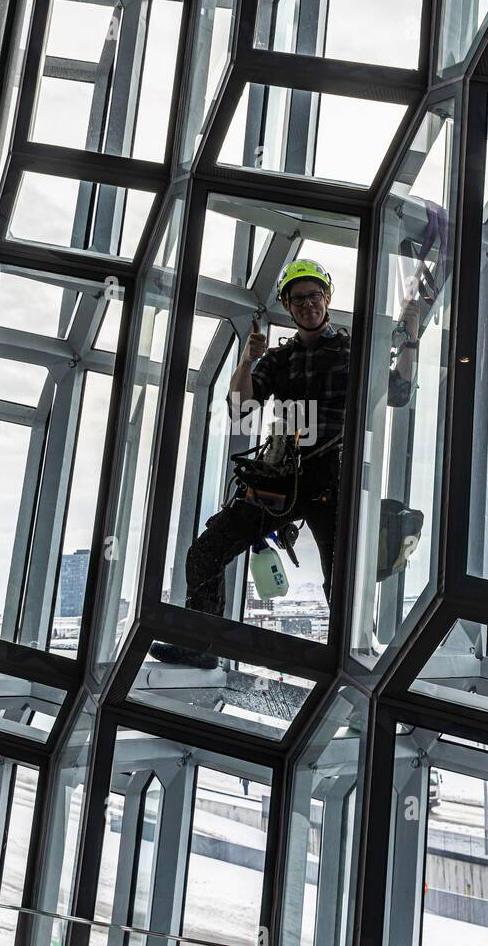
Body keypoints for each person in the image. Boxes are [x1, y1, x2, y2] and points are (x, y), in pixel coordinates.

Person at [150, 259, 421, 667]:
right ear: (289, 307)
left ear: (326, 299)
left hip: (334, 476)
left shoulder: (353, 352)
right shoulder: (279, 359)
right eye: (299, 300)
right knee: (206, 553)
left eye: (314, 296)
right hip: (285, 476)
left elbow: (398, 393)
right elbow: (240, 405)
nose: (308, 304)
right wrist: (245, 362)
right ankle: (202, 647)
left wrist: (412, 341)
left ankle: (348, 663)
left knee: (341, 581)